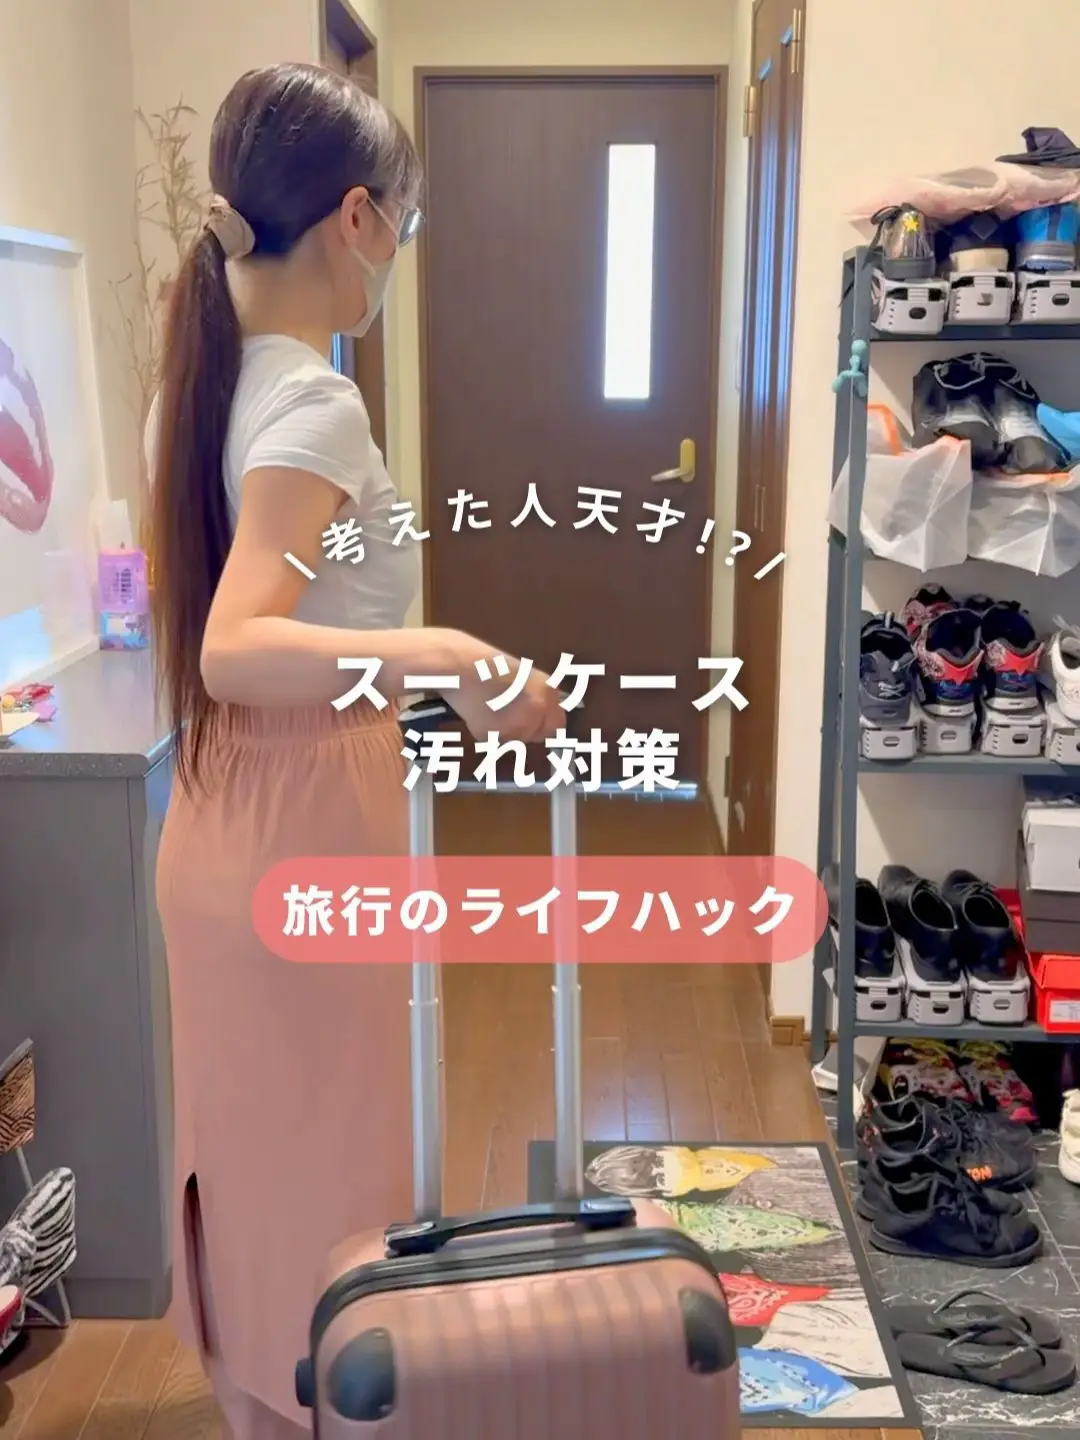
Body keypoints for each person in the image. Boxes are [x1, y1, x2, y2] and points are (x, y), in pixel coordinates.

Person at [150, 62, 562, 1438]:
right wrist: (446, 656)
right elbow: (236, 643)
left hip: (221, 812)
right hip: (307, 816)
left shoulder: (201, 385)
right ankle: (335, 1402)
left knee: (252, 1172)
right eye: (406, 222)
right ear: (357, 219)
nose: (399, 250)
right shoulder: (314, 404)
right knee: (331, 1180)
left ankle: (276, 1406)